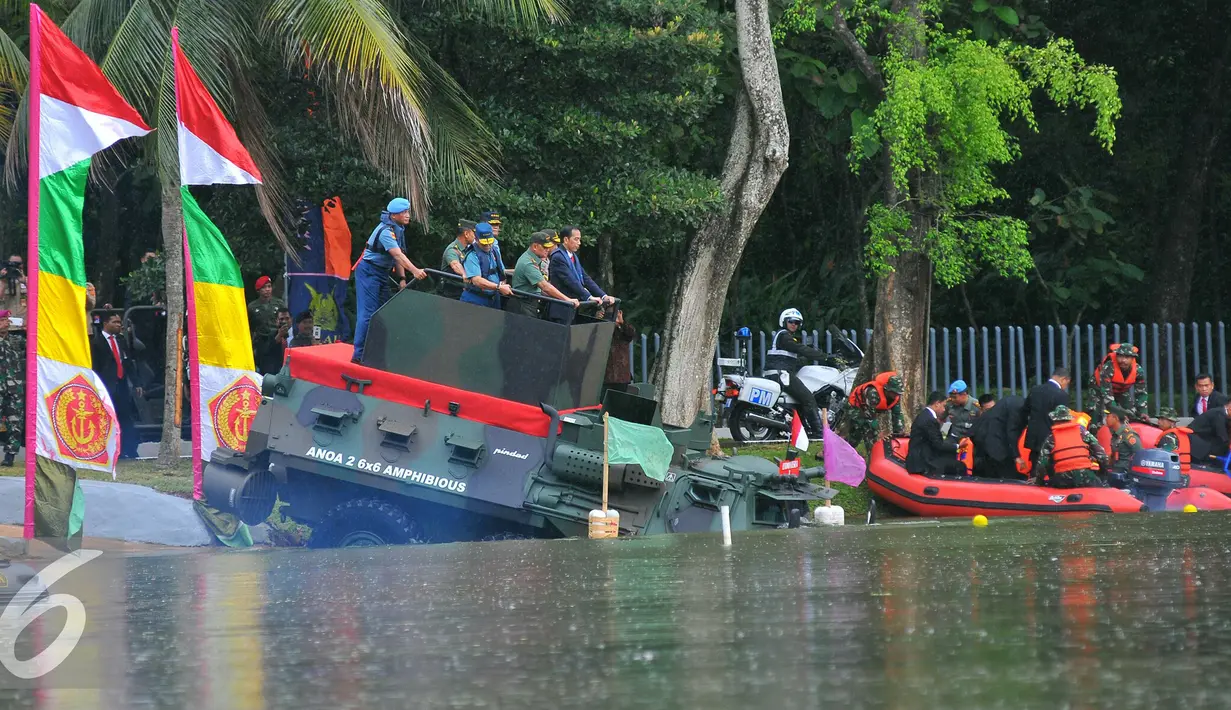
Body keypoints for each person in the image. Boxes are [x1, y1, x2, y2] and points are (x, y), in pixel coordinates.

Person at [352, 198, 428, 363]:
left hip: (381, 273)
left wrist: (402, 279)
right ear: (394, 215)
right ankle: (359, 355)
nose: (408, 215)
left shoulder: (398, 229)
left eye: (408, 212)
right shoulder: (386, 231)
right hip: (369, 271)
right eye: (404, 213)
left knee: (384, 310)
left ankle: (378, 349)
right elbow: (397, 255)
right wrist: (415, 271)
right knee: (368, 313)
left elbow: (398, 258)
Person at [764, 308, 831, 437]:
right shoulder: (784, 336)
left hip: (779, 373)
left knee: (800, 398)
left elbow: (793, 356)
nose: (794, 324)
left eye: (797, 323)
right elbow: (800, 349)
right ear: (784, 322)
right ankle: (819, 433)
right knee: (808, 398)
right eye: (791, 321)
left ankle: (803, 428)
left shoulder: (784, 337)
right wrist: (824, 356)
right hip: (781, 374)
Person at [91, 312, 142, 459]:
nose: (119, 325)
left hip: (121, 385)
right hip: (106, 387)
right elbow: (95, 367)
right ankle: (107, 450)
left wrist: (137, 383)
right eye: (115, 322)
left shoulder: (120, 341)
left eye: (120, 322)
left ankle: (129, 449)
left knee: (126, 417)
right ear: (106, 323)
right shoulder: (96, 343)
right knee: (106, 418)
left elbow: (128, 362)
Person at [1030, 405, 1109, 488]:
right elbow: (1102, 456)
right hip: (1085, 476)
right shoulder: (1083, 433)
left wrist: (1039, 482)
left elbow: (1042, 464)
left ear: (1055, 420)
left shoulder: (1051, 438)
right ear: (1070, 419)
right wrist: (1103, 474)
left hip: (1063, 479)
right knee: (1099, 484)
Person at [547, 226, 613, 323]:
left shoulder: (572, 255)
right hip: (561, 308)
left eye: (579, 239)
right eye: (576, 239)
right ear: (566, 239)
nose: (579, 243)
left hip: (572, 307)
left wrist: (603, 295)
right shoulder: (558, 257)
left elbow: (585, 278)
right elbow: (571, 281)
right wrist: (589, 297)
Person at [510, 232, 577, 317]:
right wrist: (567, 300)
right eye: (545, 247)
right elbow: (545, 286)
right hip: (523, 305)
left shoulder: (535, 259)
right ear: (535, 246)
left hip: (530, 303)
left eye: (548, 247)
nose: (548, 250)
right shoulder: (528, 263)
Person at [1018, 367, 1072, 467]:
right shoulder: (1062, 395)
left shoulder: (1035, 390)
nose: (1065, 387)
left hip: (1034, 440)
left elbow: (1024, 411)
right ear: (1064, 379)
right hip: (1051, 441)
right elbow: (1063, 421)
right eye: (1066, 384)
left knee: (1035, 469)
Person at [905, 391, 963, 477]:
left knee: (950, 457)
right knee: (960, 466)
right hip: (922, 461)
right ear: (937, 404)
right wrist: (958, 446)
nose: (944, 410)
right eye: (943, 406)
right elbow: (938, 444)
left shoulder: (924, 415)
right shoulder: (929, 420)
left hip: (924, 455)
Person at [1089, 343, 1148, 422]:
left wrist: (1142, 411)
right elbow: (1107, 396)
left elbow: (1141, 392)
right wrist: (1118, 413)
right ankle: (1093, 428)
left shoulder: (1138, 370)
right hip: (1099, 388)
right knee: (1096, 413)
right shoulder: (1108, 367)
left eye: (1127, 357)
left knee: (1132, 413)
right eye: (1120, 356)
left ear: (1133, 358)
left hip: (1120, 390)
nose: (1123, 360)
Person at [846, 371, 905, 451]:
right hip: (856, 408)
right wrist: (879, 433)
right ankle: (848, 451)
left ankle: (848, 450)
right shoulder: (873, 393)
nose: (896, 395)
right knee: (864, 430)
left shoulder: (896, 396)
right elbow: (870, 417)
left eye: (898, 393)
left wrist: (899, 432)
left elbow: (897, 414)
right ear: (887, 389)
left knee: (866, 430)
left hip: (869, 412)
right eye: (894, 392)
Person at [971, 394, 1025, 479]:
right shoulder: (986, 422)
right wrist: (1016, 456)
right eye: (988, 409)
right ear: (981, 410)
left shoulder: (1000, 416)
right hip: (989, 456)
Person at [461, 222, 511, 308]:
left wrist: (503, 282)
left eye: (490, 242)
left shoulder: (494, 251)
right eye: (484, 243)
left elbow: (501, 271)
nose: (488, 245)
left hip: (494, 298)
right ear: (476, 239)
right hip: (476, 299)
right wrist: (498, 287)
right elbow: (477, 280)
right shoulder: (472, 255)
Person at [0, 311, 24, 466]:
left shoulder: (16, 340)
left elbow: (34, 342)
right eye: (2, 320)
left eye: (7, 320)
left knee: (15, 422)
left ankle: (10, 456)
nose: (6, 323)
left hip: (14, 388)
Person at [247, 275, 286, 349]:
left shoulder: (279, 303)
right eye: (264, 287)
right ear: (258, 290)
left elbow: (286, 321)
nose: (267, 289)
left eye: (269, 286)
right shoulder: (252, 306)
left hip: (276, 338)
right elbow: (250, 325)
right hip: (260, 341)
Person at [603, 309, 637, 393]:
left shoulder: (622, 331)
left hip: (621, 376)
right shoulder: (602, 329)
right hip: (604, 376)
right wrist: (598, 320)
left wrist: (621, 322)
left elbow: (631, 333)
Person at [1104, 405, 1143, 473]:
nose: (1106, 419)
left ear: (1116, 418)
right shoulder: (1115, 435)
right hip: (1116, 471)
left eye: (1108, 416)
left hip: (1126, 473)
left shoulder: (1129, 435)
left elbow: (1139, 454)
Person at [1155, 406, 1192, 475]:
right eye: (1159, 419)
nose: (1159, 422)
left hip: (1172, 474)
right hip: (1183, 473)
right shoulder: (1178, 434)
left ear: (1172, 422)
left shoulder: (1168, 437)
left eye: (1162, 419)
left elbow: (1163, 458)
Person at [257, 307, 291, 374]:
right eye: (281, 319)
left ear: (291, 320)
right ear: (276, 321)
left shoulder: (296, 335)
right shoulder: (268, 336)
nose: (284, 321)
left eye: (287, 318)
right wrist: (279, 336)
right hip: (275, 373)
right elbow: (265, 353)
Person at [0, 254, 27, 321]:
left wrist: (25, 282)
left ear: (22, 265)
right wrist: (3, 282)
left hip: (24, 325)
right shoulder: (2, 281)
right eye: (12, 264)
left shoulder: (29, 281)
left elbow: (39, 297)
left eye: (18, 264)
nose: (15, 266)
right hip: (6, 325)